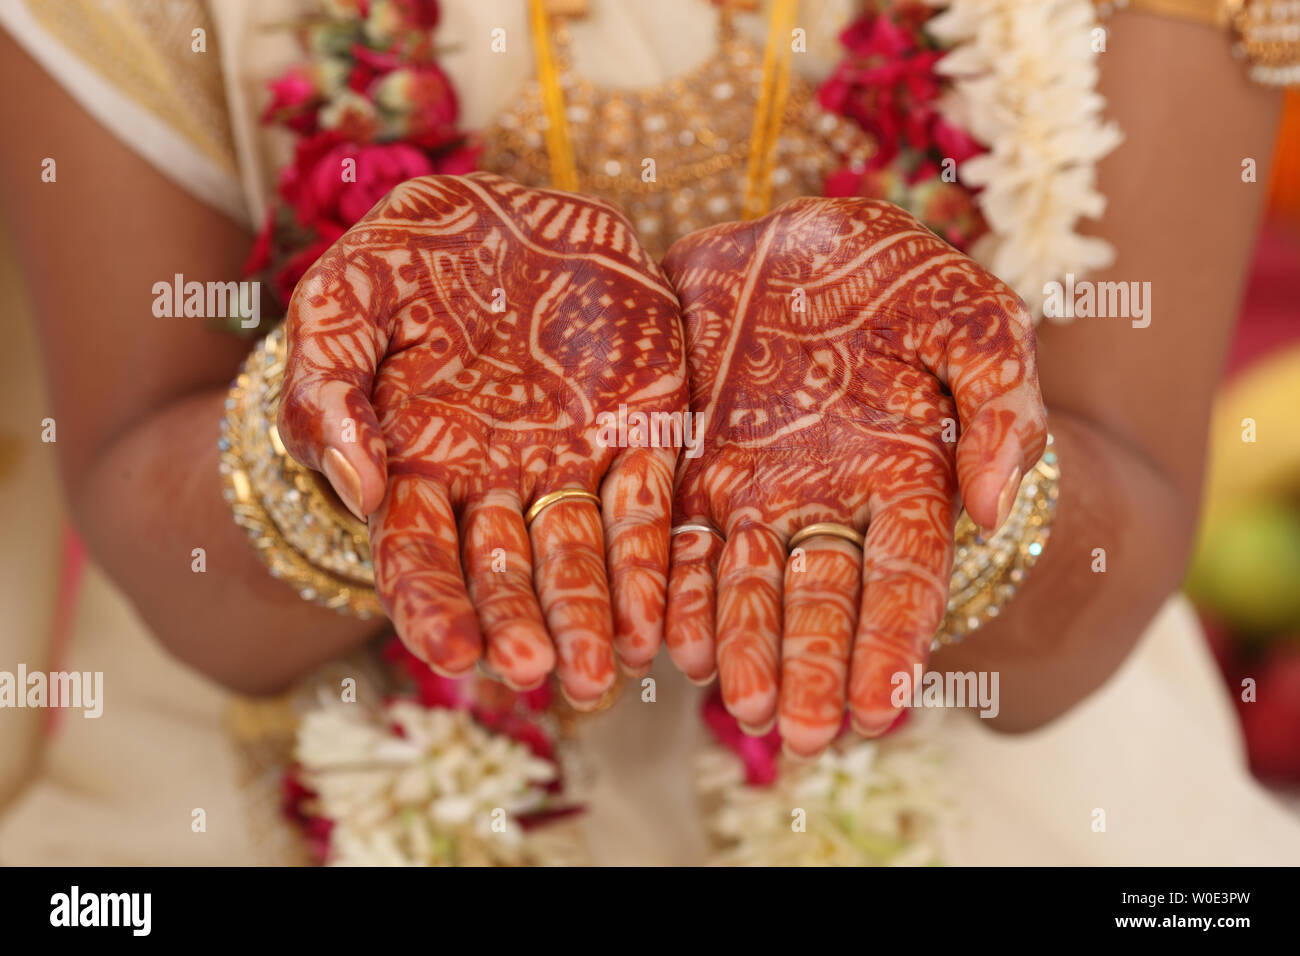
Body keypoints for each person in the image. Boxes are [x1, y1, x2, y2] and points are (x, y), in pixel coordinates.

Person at [0, 0, 1296, 865]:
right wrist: (347, 441)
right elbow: (173, 564)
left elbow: (1092, 595)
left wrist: (921, 443)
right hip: (253, 804)